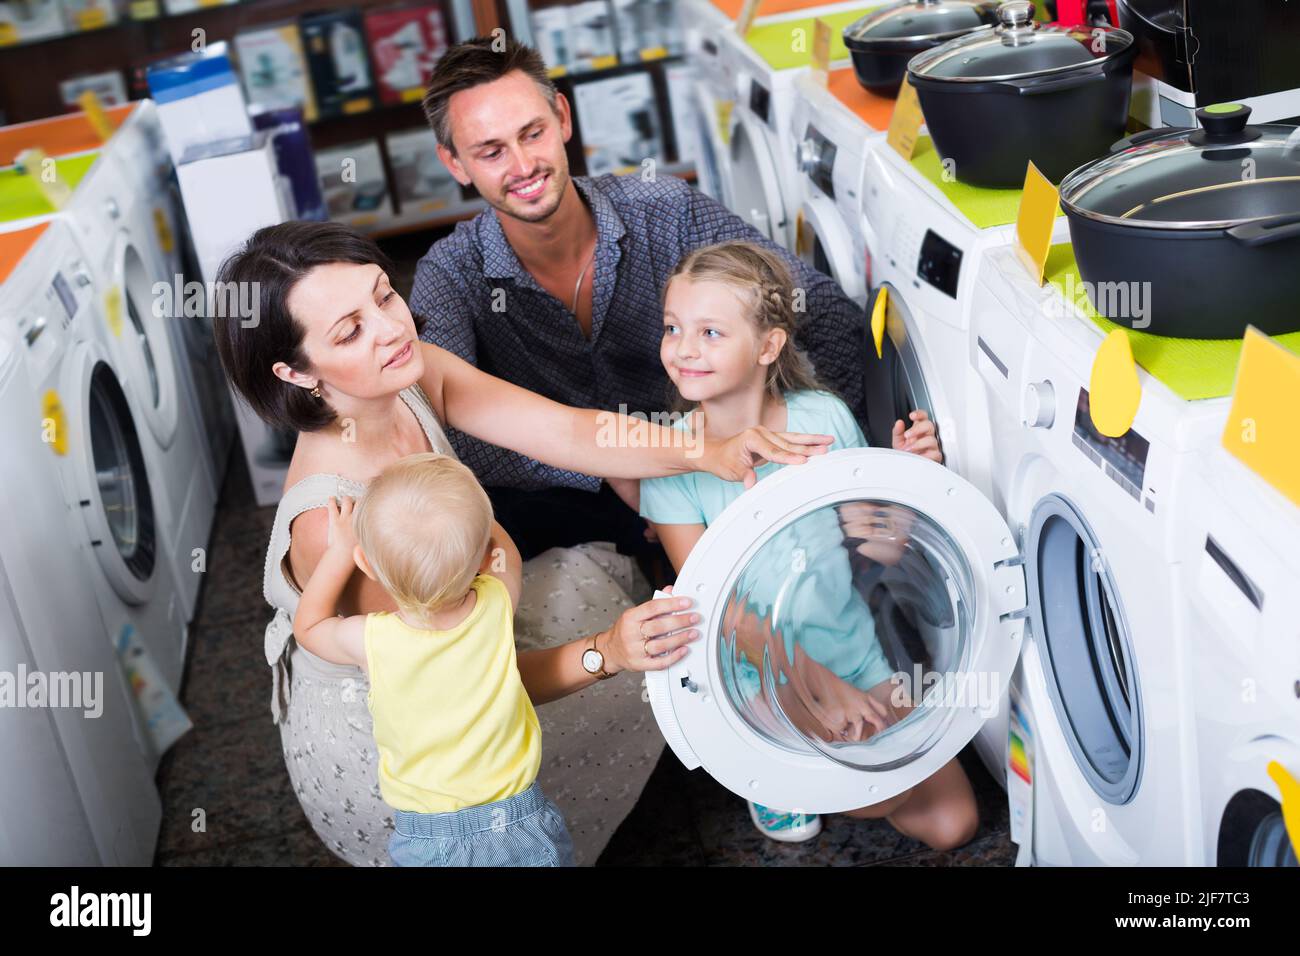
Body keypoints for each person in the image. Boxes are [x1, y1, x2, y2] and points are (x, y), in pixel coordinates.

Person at [213, 220, 834, 865]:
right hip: (418, 766)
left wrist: (709, 449)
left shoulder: (407, 379)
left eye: (383, 295)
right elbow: (473, 681)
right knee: (640, 672)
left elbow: (569, 432)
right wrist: (605, 653)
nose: (392, 328)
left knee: (620, 608)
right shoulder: (329, 522)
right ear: (295, 371)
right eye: (350, 331)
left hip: (467, 627)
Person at [410, 37, 874, 562]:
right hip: (553, 504)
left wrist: (828, 437)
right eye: (491, 152)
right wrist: (617, 461)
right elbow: (436, 423)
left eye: (532, 133)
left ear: (562, 117)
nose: (522, 165)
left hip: (710, 476)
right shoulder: (451, 274)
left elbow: (818, 306)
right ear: (454, 163)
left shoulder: (665, 211)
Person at [639, 241, 978, 850]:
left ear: (768, 346)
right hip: (753, 675)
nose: (683, 349)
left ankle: (810, 777)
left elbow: (880, 554)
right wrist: (815, 687)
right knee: (871, 783)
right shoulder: (670, 456)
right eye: (672, 328)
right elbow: (716, 612)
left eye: (710, 332)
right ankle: (771, 774)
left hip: (847, 645)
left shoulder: (821, 419)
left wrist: (907, 485)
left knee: (955, 825)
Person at [293, 456, 594, 866]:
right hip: (523, 821)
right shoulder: (495, 602)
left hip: (430, 841)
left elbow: (308, 627)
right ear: (483, 556)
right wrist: (478, 517)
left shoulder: (370, 638)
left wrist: (341, 551)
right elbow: (508, 554)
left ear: (366, 564)